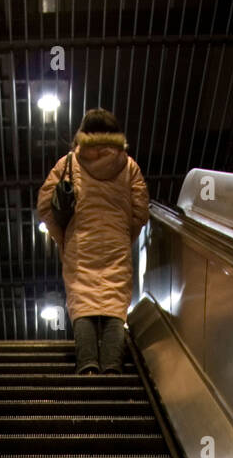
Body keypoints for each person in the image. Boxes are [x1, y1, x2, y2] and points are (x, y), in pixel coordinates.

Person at [37, 108, 150, 375]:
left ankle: (87, 364)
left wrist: (63, 237)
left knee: (83, 302)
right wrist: (124, 233)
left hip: (80, 244)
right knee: (114, 304)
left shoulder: (69, 163)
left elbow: (45, 205)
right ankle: (112, 366)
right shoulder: (129, 167)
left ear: (83, 133)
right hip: (116, 245)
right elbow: (141, 211)